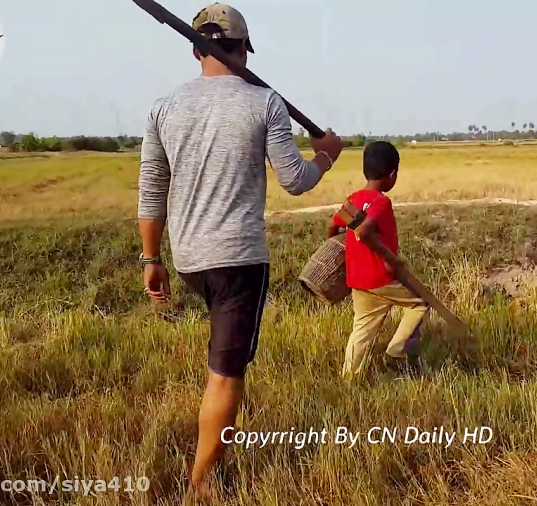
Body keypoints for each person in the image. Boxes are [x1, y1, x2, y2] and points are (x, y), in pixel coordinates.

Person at [136, 2, 344, 497]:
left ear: (196, 49)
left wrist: (151, 258)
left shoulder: (164, 108)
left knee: (223, 367)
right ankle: (202, 484)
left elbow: (151, 187)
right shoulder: (264, 102)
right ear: (245, 50)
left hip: (189, 259)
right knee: (226, 376)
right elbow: (296, 180)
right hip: (239, 260)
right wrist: (326, 157)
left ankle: (211, 462)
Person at [327, 141, 429, 380]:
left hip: (357, 278)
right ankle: (396, 350)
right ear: (392, 174)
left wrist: (337, 245)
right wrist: (391, 260)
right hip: (381, 277)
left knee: (362, 329)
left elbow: (332, 224)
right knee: (420, 303)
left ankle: (349, 378)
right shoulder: (381, 202)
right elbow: (364, 231)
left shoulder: (352, 199)